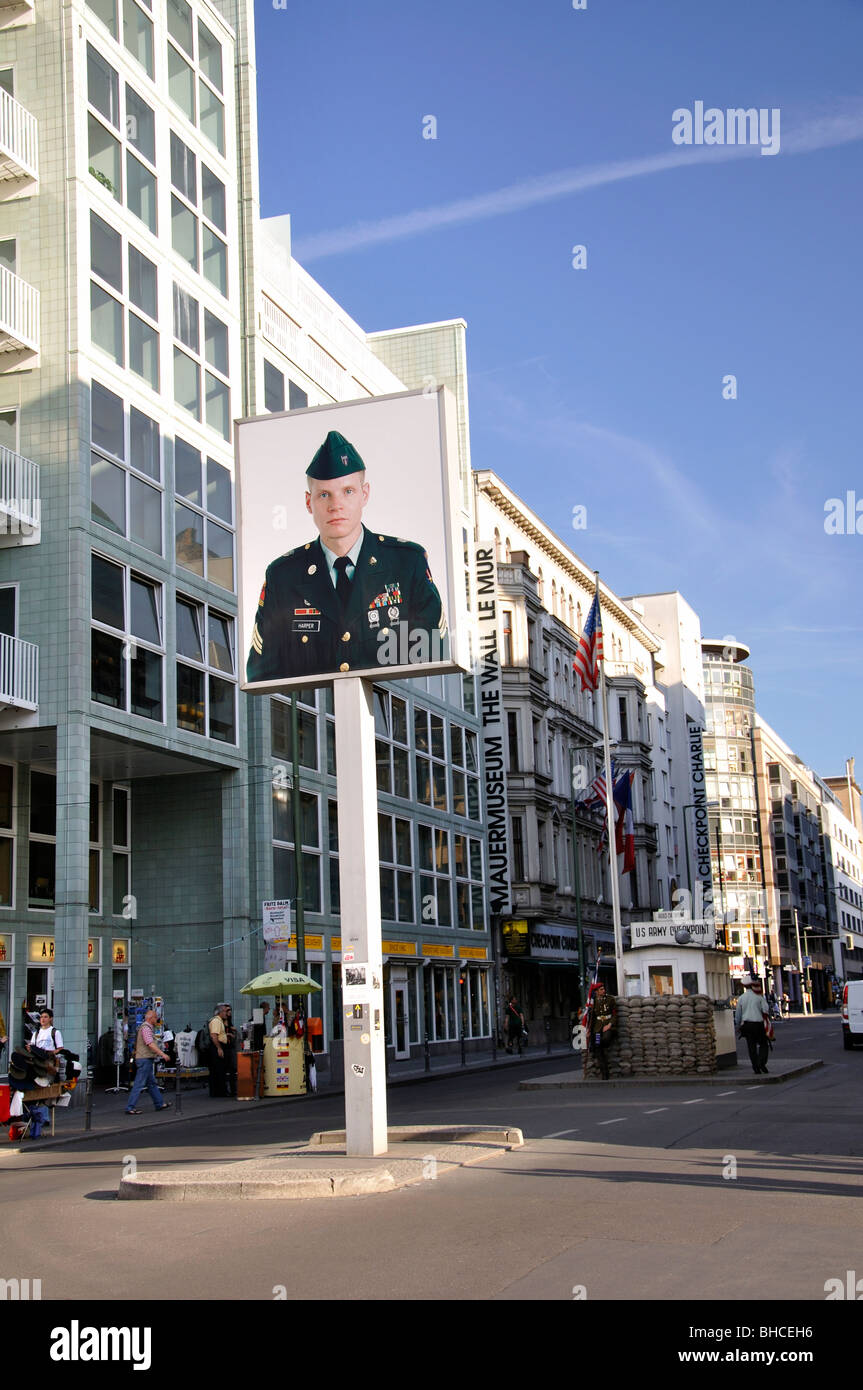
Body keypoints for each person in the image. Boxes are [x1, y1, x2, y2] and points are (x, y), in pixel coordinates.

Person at [246, 430, 448, 682]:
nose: (335, 505)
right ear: (309, 502)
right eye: (324, 494)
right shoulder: (283, 576)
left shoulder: (407, 564)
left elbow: (435, 655)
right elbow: (261, 674)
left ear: (365, 494)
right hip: (318, 719)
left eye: (348, 491)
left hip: (387, 716)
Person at [125, 1009, 172, 1115]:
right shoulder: (146, 1028)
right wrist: (162, 1054)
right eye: (155, 1017)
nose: (157, 1019)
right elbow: (149, 1043)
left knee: (151, 1083)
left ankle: (159, 1103)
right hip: (144, 1059)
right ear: (151, 1018)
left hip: (145, 1059)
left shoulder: (147, 1028)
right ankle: (130, 1107)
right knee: (139, 1083)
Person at [735, 978, 771, 1075]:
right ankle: (761, 1062)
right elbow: (765, 1009)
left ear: (744, 986)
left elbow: (738, 1014)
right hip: (758, 1024)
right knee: (763, 1044)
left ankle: (755, 1067)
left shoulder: (741, 998)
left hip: (747, 1025)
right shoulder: (759, 996)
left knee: (751, 1047)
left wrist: (738, 1025)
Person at [585, 982, 617, 1079]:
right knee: (598, 1046)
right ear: (596, 992)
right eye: (601, 989)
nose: (603, 991)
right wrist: (589, 1030)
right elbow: (592, 1018)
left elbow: (615, 1014)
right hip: (597, 1028)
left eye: (603, 989)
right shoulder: (593, 1002)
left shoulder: (610, 999)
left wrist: (610, 1024)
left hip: (607, 1025)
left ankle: (599, 1045)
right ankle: (604, 1072)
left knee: (606, 1039)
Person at [208, 1003, 230, 1098]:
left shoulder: (220, 1021)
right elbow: (214, 1036)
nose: (226, 1013)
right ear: (220, 1012)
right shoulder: (216, 1021)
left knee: (219, 1069)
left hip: (218, 1045)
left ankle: (219, 1090)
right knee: (218, 1069)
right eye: (225, 1011)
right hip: (217, 1046)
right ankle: (220, 1091)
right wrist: (219, 1048)